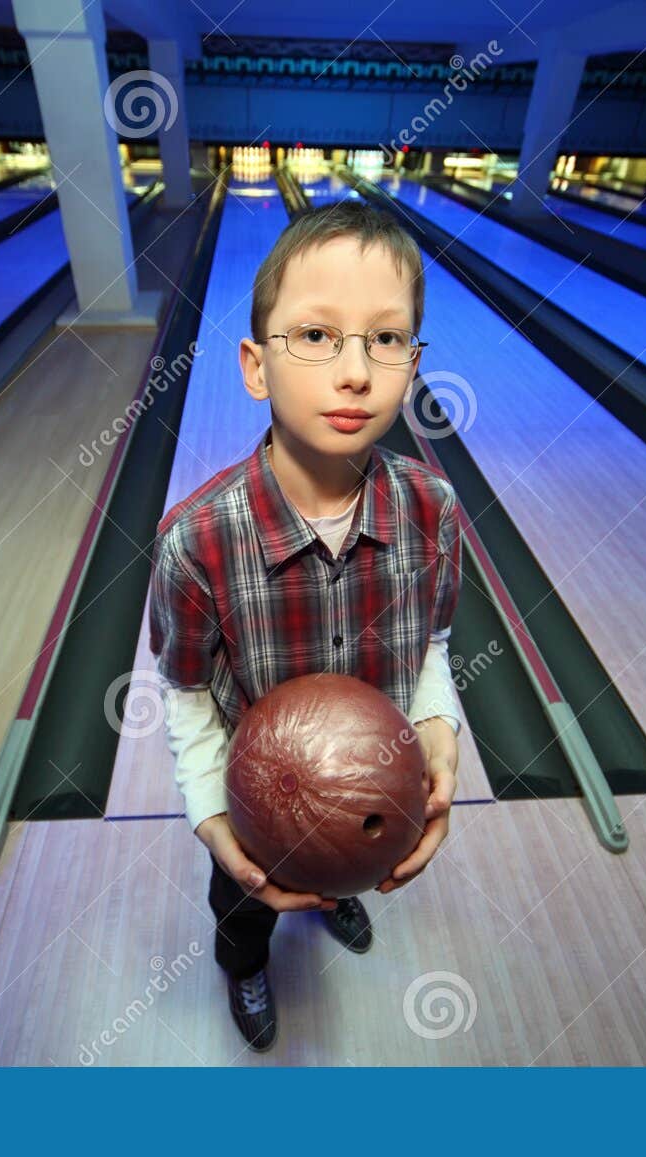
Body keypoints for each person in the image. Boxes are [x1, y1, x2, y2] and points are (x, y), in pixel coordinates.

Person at [147, 199, 463, 1052]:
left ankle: (341, 883)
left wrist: (437, 724)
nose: (355, 371)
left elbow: (431, 644)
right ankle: (245, 964)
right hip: (255, 809)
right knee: (242, 907)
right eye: (316, 336)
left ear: (413, 361)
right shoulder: (196, 542)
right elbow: (183, 693)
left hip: (371, 792)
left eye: (387, 338)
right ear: (255, 366)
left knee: (346, 844)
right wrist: (215, 818)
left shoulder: (435, 511)